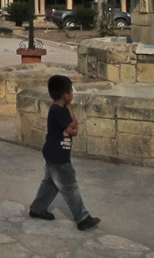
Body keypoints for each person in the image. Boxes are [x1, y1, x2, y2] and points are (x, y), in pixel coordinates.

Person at [29, 74, 100, 231]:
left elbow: (71, 130)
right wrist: (70, 108)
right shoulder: (59, 110)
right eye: (71, 92)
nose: (72, 95)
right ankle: (82, 218)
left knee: (51, 183)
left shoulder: (56, 110)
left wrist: (72, 129)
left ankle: (37, 208)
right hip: (58, 155)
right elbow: (74, 123)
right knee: (70, 186)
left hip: (54, 152)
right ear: (65, 95)